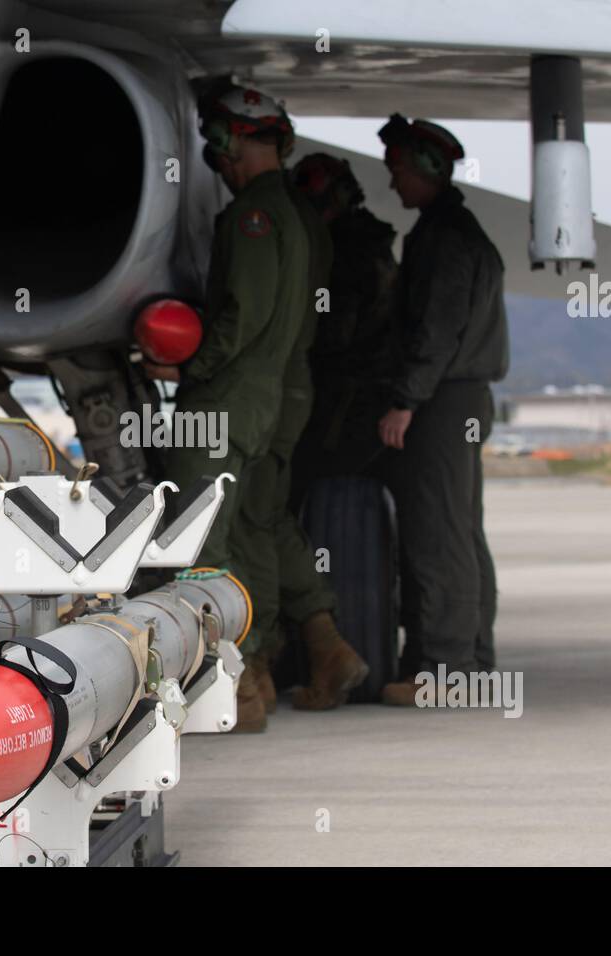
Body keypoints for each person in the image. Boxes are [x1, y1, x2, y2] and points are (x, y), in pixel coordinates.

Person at [145, 85, 310, 731]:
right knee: (240, 537)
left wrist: (188, 366)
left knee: (198, 547)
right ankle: (256, 678)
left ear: (233, 140)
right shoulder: (290, 216)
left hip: (221, 401)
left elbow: (242, 315)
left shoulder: (252, 218)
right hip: (259, 402)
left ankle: (231, 690)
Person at [372, 115, 509, 705]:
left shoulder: (444, 238)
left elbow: (437, 329)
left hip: (443, 400)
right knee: (459, 530)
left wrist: (406, 400)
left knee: (436, 534)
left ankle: (448, 671)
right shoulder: (456, 230)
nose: (393, 182)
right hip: (460, 397)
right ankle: (468, 659)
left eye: (399, 170)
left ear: (425, 171)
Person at [231, 157, 371, 718]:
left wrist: (203, 364)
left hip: (270, 388)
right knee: (268, 518)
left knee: (247, 523)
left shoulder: (276, 221)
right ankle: (323, 643)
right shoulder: (315, 230)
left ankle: (256, 668)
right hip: (292, 391)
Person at [288, 153, 401, 513]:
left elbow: (333, 334)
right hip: (362, 391)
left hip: (345, 394)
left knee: (307, 484)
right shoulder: (369, 244)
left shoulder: (345, 252)